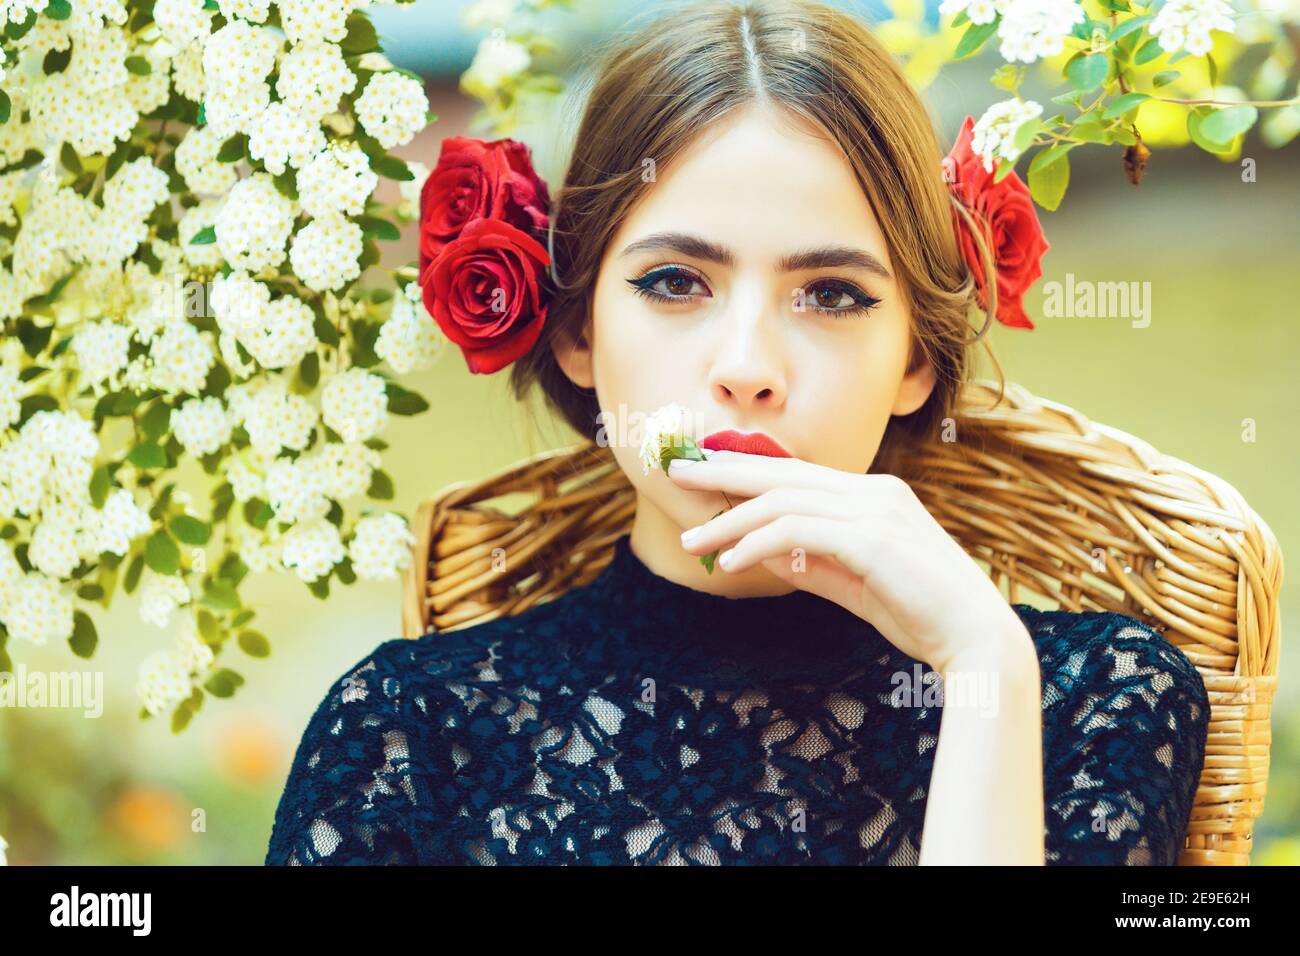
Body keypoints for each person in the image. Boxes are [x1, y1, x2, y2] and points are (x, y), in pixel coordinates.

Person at [265, 0, 1209, 865]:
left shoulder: (1097, 702)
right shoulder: (410, 729)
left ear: (915, 361)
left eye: (832, 294)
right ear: (579, 329)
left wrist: (982, 667)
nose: (748, 366)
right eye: (675, 282)